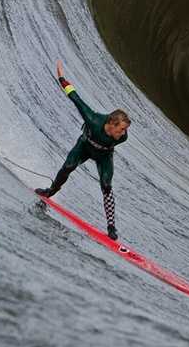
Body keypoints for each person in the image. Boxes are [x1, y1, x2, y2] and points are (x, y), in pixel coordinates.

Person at [36, 60, 131, 240]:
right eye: (121, 129)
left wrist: (111, 144)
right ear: (111, 124)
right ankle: (50, 192)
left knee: (106, 185)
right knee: (67, 167)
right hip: (85, 146)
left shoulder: (122, 137)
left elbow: (115, 141)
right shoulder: (93, 119)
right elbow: (75, 97)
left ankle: (111, 227)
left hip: (104, 155)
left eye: (125, 130)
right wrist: (62, 78)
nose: (124, 133)